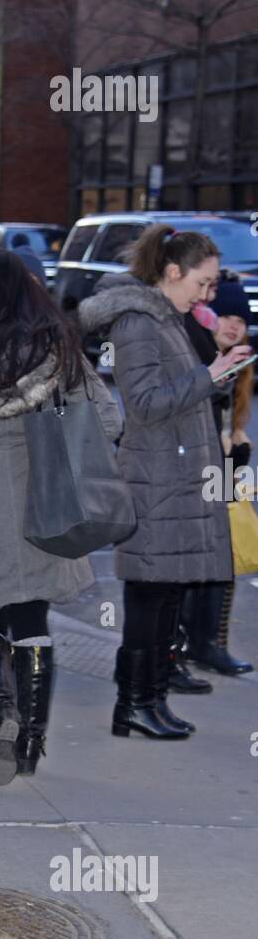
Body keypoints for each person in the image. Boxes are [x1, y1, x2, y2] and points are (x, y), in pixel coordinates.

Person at [0, 249, 121, 784]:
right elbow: (108, 420)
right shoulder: (58, 346)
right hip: (48, 505)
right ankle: (32, 745)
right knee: (32, 622)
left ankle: (2, 715)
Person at [78, 225, 252, 741]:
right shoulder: (139, 323)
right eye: (203, 282)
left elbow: (178, 391)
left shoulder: (170, 319)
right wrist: (212, 373)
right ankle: (133, 704)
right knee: (150, 601)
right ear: (172, 272)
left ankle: (151, 699)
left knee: (166, 598)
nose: (209, 294)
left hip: (175, 481)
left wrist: (214, 359)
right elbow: (147, 403)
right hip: (156, 482)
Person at [180, 279, 254, 676]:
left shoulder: (240, 366)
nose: (232, 325)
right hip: (193, 471)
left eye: (240, 319)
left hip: (217, 473)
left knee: (221, 558)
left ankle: (210, 642)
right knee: (200, 560)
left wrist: (238, 454)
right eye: (225, 315)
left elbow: (229, 429)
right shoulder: (201, 360)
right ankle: (193, 643)